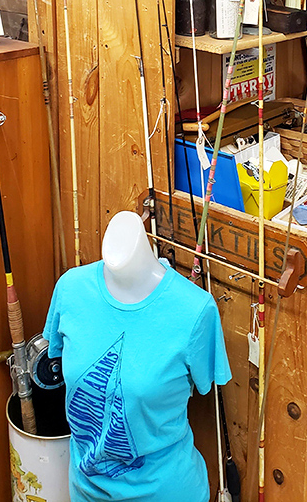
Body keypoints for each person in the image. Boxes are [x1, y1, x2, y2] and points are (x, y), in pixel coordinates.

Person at [43, 211, 232, 502]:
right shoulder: (70, 288)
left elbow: (205, 388)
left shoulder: (194, 311)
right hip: (84, 491)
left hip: (166, 491)